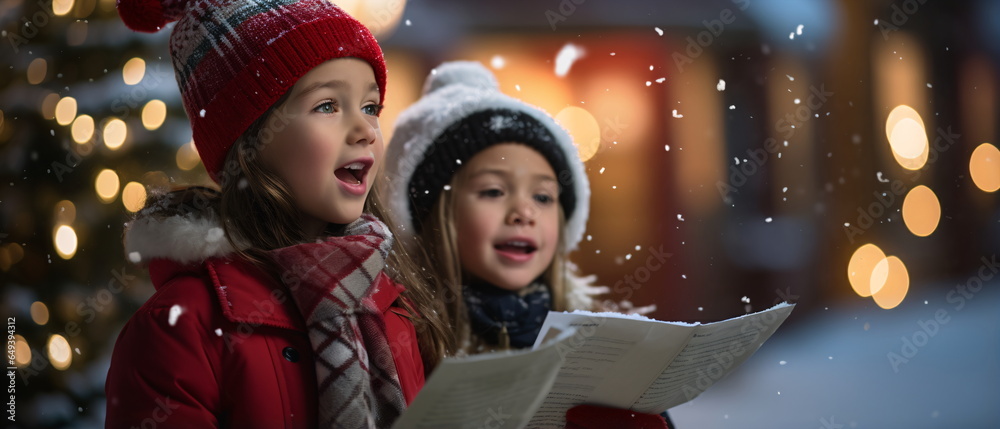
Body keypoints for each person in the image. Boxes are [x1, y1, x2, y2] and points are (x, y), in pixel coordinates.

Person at [105, 1, 447, 427]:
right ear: (250, 141)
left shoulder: (393, 305)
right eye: (327, 106)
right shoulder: (180, 328)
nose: (365, 131)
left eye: (371, 107)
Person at [382, 61, 671, 428]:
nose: (523, 212)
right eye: (493, 191)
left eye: (544, 197)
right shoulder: (399, 343)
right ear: (431, 216)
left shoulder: (603, 341)